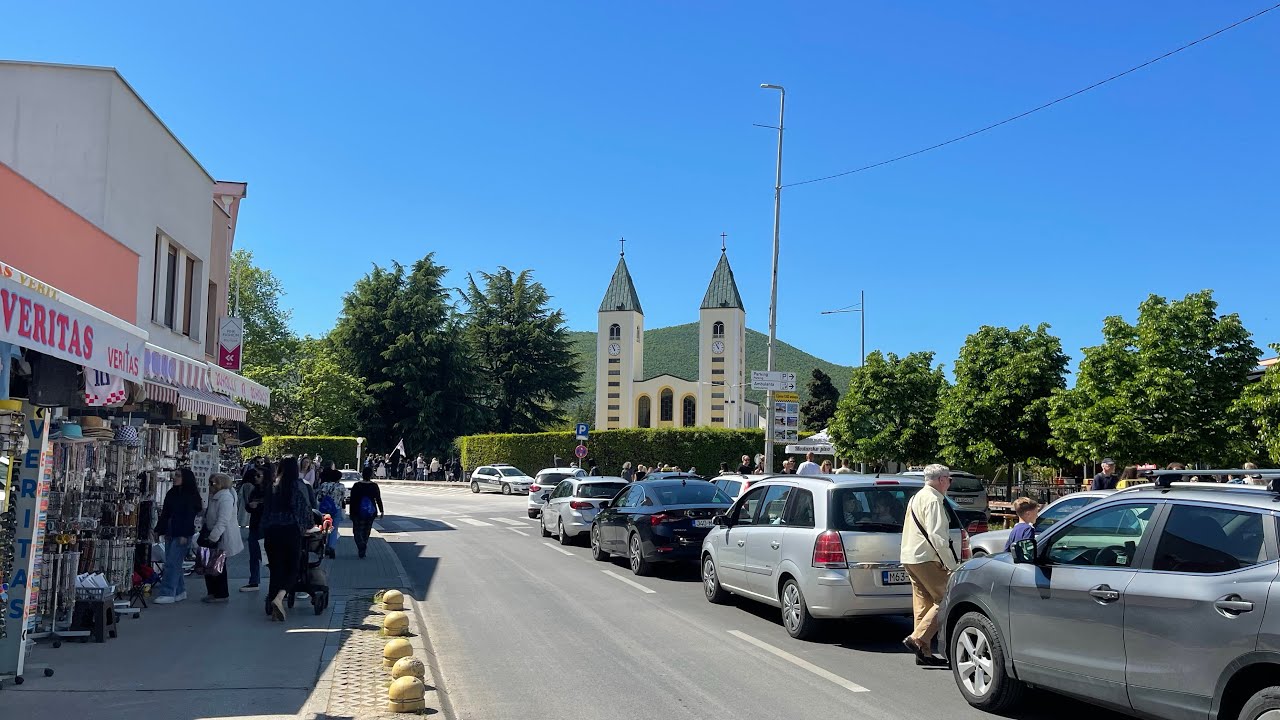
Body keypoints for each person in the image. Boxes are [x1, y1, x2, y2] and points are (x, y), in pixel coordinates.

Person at [900, 463, 957, 667]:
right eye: (949, 479)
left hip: (910, 556)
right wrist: (951, 564)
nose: (949, 483)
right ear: (941, 480)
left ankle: (923, 652)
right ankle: (917, 639)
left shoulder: (917, 497)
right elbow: (937, 536)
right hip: (927, 557)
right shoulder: (933, 500)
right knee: (945, 599)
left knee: (923, 605)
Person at [262, 457, 312, 621]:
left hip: (271, 531)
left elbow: (266, 510)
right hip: (290, 531)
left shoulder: (272, 486)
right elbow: (304, 509)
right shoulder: (298, 486)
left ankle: (271, 603)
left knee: (276, 568)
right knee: (293, 568)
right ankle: (279, 597)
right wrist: (307, 526)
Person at [153, 467, 203, 604]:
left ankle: (168, 592)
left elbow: (189, 517)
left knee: (171, 563)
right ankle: (180, 591)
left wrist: (185, 534)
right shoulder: (172, 493)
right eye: (175, 475)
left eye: (178, 476)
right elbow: (165, 514)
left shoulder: (190, 496)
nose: (175, 478)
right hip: (170, 532)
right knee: (174, 563)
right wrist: (158, 530)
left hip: (182, 534)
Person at [200, 473, 244, 603]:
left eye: (212, 483)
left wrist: (213, 536)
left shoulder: (225, 498)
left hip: (220, 536)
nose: (210, 485)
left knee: (218, 566)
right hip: (212, 533)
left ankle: (220, 593)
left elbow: (223, 520)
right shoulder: (215, 496)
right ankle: (213, 592)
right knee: (210, 565)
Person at [240, 465, 268, 593]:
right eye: (255, 476)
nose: (255, 478)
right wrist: (251, 506)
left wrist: (259, 505)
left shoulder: (271, 491)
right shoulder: (254, 490)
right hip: (255, 525)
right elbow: (248, 507)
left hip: (265, 527)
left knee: (265, 555)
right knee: (253, 554)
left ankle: (278, 580)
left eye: (258, 476)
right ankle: (254, 581)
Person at [349, 466, 385, 559]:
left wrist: (351, 513)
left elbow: (352, 500)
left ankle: (361, 545)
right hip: (370, 512)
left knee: (357, 531)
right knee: (366, 531)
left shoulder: (356, 485)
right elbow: (378, 499)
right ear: (371, 475)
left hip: (357, 511)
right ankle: (363, 547)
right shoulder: (374, 486)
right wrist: (381, 510)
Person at [316, 461, 347, 558]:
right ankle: (331, 547)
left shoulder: (324, 485)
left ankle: (322, 546)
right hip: (336, 509)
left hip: (325, 509)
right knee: (334, 528)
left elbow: (320, 497)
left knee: (323, 528)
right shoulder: (341, 487)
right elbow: (342, 499)